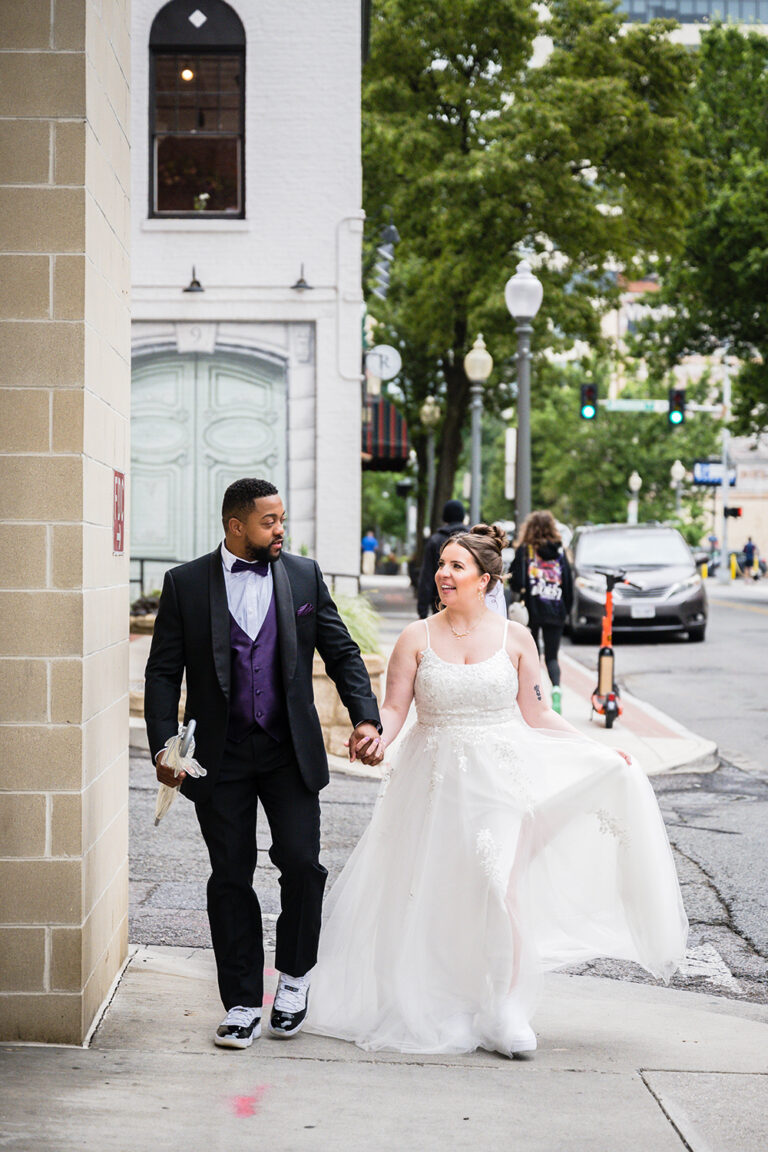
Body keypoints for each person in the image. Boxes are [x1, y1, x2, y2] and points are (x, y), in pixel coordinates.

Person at [305, 524, 687, 1057]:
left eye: (457, 566)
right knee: (437, 890)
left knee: (498, 886)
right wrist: (374, 736)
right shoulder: (415, 638)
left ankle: (508, 1009)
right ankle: (445, 997)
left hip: (502, 780)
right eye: (442, 563)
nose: (444, 573)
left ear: (485, 580)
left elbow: (538, 712)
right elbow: (394, 710)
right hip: (433, 782)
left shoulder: (515, 638)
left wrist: (597, 751)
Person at [144, 478, 383, 1050]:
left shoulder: (303, 575)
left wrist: (365, 718)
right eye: (269, 521)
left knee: (302, 864)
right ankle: (243, 1001)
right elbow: (161, 673)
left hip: (286, 751)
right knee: (230, 877)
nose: (280, 529)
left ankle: (295, 978)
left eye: (281, 520)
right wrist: (162, 746)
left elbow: (342, 650)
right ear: (236, 526)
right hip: (218, 758)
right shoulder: (184, 584)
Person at [510, 511, 572, 715]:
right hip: (556, 610)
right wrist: (566, 610)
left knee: (532, 656)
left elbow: (516, 581)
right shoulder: (560, 551)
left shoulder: (525, 551)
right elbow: (569, 586)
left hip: (532, 610)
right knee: (552, 657)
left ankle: (536, 697)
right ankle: (556, 688)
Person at [417, 499, 468, 618]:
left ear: (445, 517)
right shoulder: (472, 539)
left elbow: (427, 576)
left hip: (440, 601)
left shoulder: (435, 540)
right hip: (466, 600)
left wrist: (422, 610)